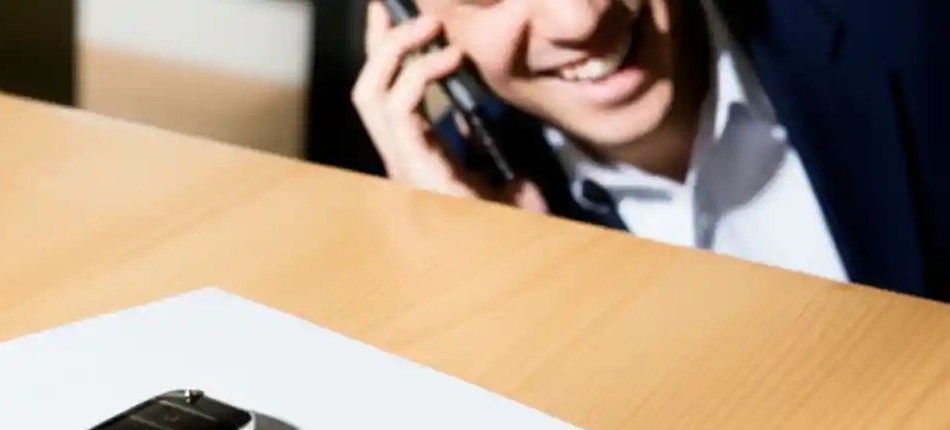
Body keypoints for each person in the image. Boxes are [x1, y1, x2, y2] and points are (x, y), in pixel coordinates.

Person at [351, 0, 948, 300]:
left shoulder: (913, 28)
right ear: (408, 21)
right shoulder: (463, 211)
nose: (579, 19)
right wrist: (500, 303)